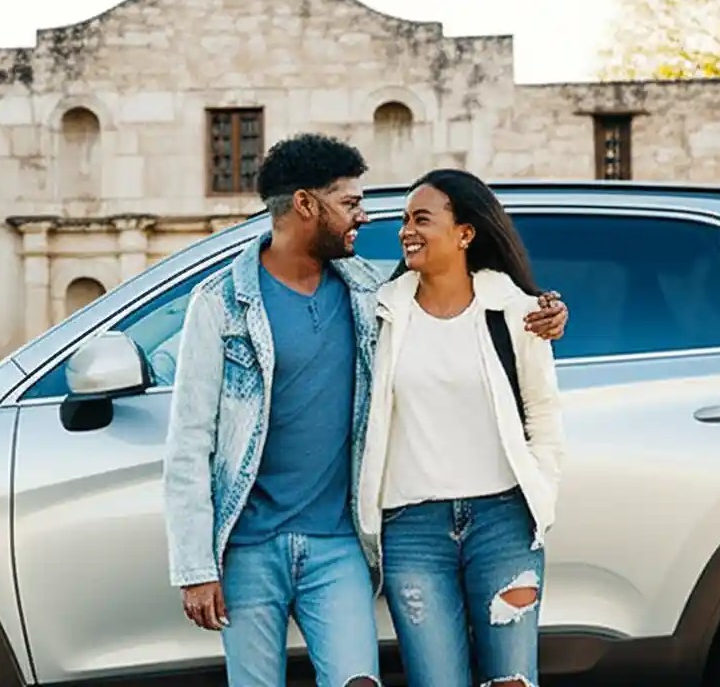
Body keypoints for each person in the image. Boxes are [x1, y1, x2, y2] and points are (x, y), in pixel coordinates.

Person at [163, 135, 567, 687]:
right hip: (259, 546)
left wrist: (547, 310)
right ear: (306, 204)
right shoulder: (225, 305)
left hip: (343, 544)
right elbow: (189, 442)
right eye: (351, 203)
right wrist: (195, 567)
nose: (366, 216)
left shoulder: (368, 292)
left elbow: (464, 296)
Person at [354, 168, 566, 687]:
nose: (407, 229)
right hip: (412, 530)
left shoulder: (517, 312)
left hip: (503, 524)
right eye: (404, 220)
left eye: (422, 219)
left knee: (513, 681)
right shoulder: (381, 312)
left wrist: (542, 493)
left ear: (465, 234)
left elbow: (543, 414)